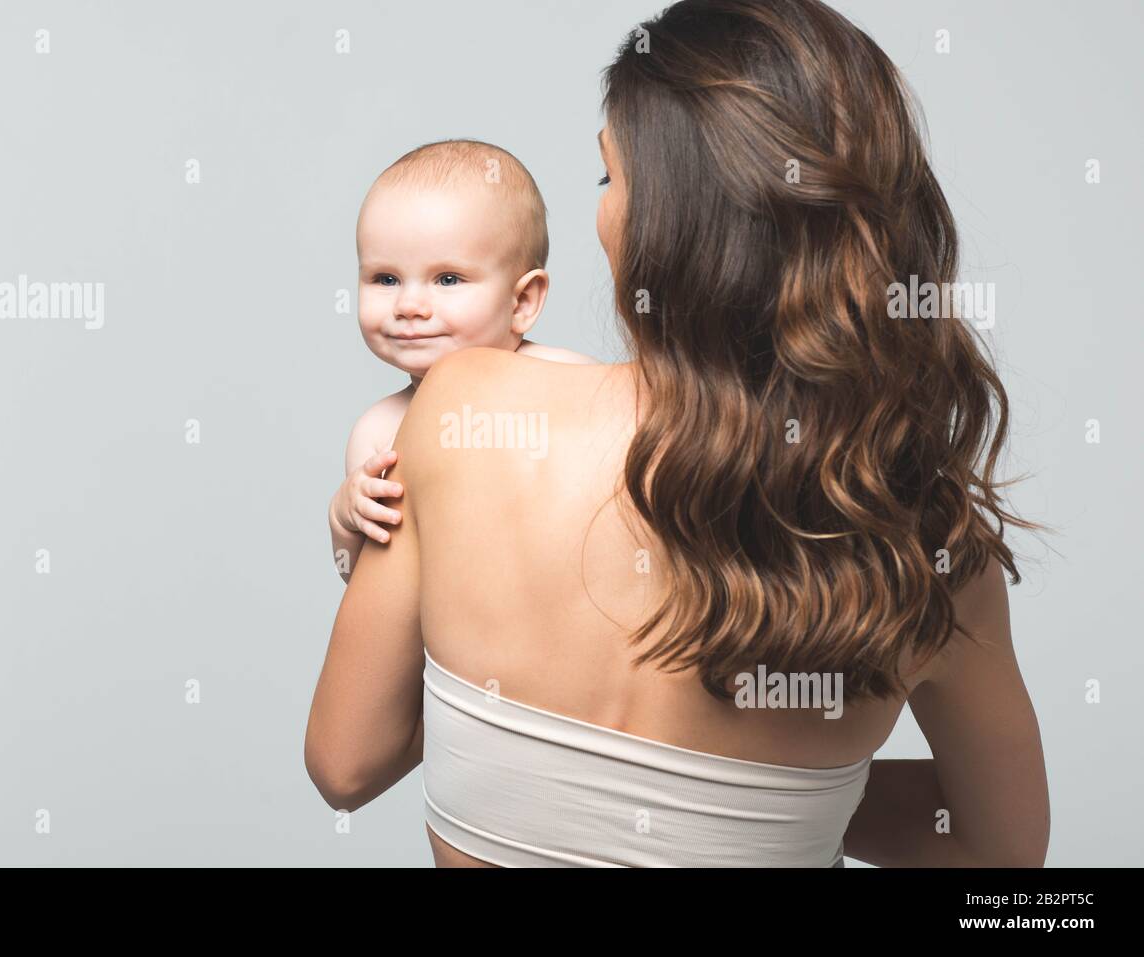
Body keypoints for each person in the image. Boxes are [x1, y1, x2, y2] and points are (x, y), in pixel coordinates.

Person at [305, 0, 1050, 867]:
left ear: (668, 218)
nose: (602, 213)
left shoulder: (464, 412)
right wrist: (785, 797)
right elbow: (1001, 853)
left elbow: (344, 759)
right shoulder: (921, 536)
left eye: (607, 180)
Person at [330, 139, 594, 583]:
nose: (409, 304)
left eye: (447, 279)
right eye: (386, 278)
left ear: (522, 301)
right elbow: (367, 584)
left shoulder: (573, 380)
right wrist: (345, 520)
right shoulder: (379, 434)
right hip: (454, 648)